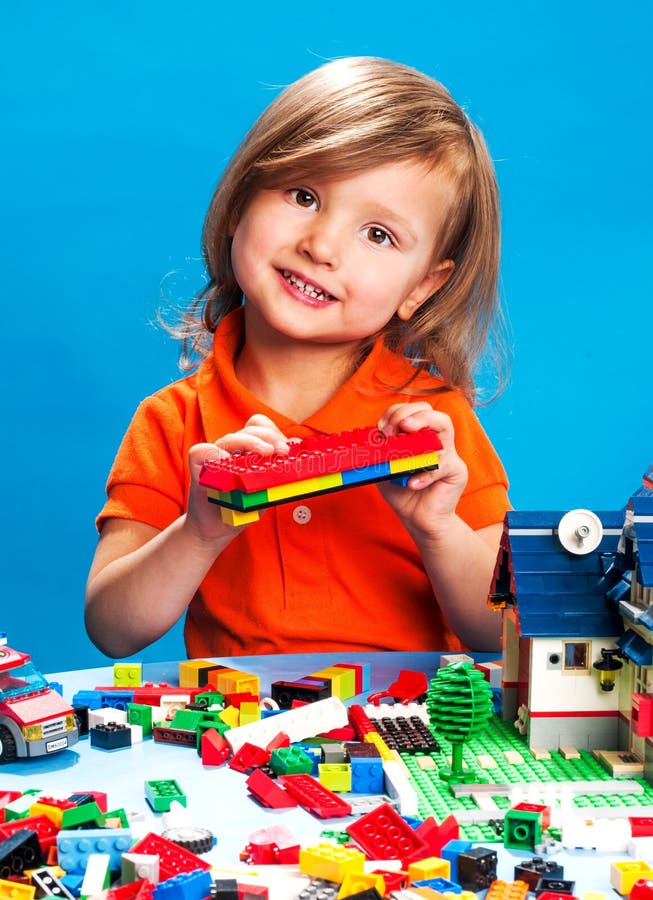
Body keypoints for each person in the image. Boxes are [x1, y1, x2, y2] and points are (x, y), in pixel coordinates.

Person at [85, 56, 510, 661]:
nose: (322, 245)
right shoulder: (172, 423)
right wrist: (198, 533)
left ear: (423, 287)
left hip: (405, 733)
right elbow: (111, 627)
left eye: (378, 234)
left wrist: (437, 529)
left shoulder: (434, 423)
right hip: (239, 735)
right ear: (239, 203)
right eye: (304, 195)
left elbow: (500, 635)